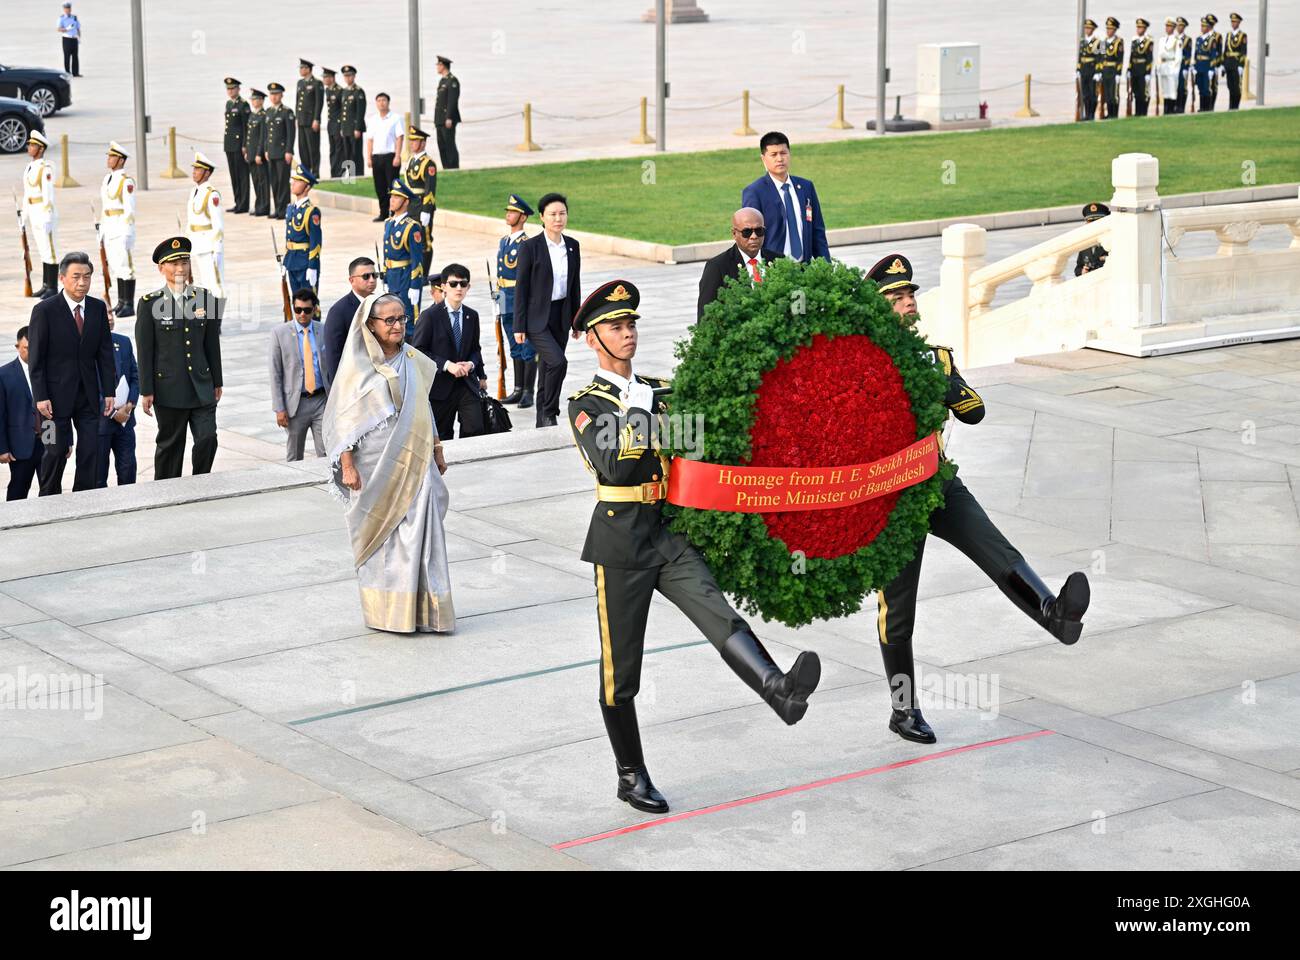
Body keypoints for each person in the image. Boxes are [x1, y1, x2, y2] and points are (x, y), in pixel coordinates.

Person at [567, 279, 821, 814]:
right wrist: (648, 415)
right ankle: (631, 775)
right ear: (593, 339)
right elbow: (616, 465)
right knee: (621, 672)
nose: (629, 333)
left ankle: (777, 689)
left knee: (716, 611)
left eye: (632, 324)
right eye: (617, 326)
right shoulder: (585, 405)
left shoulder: (660, 388)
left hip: (668, 530)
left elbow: (699, 439)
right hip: (620, 542)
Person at [865, 254, 1090, 743]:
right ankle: (903, 710)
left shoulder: (936, 357)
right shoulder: (858, 365)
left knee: (997, 551)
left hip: (938, 481)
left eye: (909, 295)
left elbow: (975, 411)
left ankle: (1053, 615)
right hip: (889, 498)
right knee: (897, 610)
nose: (907, 303)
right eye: (896, 297)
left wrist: (945, 385)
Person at [324, 293, 454, 634]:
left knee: (424, 533)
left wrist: (437, 448)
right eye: (390, 320)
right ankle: (388, 613)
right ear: (371, 325)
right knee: (384, 541)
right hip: (373, 467)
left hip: (417, 459)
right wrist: (347, 465)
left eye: (402, 319)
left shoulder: (412, 359)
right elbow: (344, 421)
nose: (398, 326)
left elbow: (424, 406)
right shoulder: (357, 366)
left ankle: (428, 611)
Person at [27, 252, 115, 495]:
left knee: (91, 450)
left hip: (88, 396)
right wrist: (40, 396)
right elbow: (36, 359)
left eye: (87, 276)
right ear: (62, 278)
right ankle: (48, 497)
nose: (82, 282)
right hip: (51, 402)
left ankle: (84, 498)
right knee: (53, 450)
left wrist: (109, 391)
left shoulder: (97, 308)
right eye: (76, 277)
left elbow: (105, 353)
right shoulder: (44, 310)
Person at [135, 237, 223, 480]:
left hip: (201, 385)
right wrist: (146, 390)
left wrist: (217, 380)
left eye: (184, 262)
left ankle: (200, 481)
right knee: (170, 445)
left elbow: (211, 344)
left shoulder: (205, 298)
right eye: (174, 264)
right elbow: (145, 351)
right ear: (161, 268)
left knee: (207, 438)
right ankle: (166, 491)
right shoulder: (149, 304)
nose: (180, 269)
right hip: (168, 389)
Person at [514, 193, 580, 428]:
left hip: (562, 316)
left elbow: (574, 284)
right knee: (558, 362)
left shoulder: (572, 246)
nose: (558, 219)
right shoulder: (530, 247)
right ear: (542, 217)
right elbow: (521, 288)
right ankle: (551, 412)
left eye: (562, 213)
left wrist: (577, 320)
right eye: (552, 214)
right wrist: (519, 326)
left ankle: (542, 423)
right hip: (537, 319)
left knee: (548, 368)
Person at [412, 262, 486, 440]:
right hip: (440, 386)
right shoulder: (430, 316)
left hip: (467, 384)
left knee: (475, 430)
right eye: (453, 284)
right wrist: (447, 365)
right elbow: (418, 351)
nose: (458, 288)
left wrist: (473, 366)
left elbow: (475, 348)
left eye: (463, 284)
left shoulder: (472, 315)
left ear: (468, 287)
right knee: (443, 435)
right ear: (444, 287)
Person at [740, 131, 829, 263]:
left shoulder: (806, 187)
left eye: (783, 153)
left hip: (805, 268)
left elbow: (818, 232)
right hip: (774, 269)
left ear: (789, 154)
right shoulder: (755, 192)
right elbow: (750, 237)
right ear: (763, 158)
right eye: (773, 154)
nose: (780, 159)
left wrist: (826, 266)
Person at [271, 288, 329, 461]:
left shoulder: (323, 330)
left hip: (321, 401)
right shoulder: (279, 333)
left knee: (326, 452)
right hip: (296, 404)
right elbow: (275, 373)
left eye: (307, 310)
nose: (302, 314)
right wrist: (279, 408)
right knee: (295, 456)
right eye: (298, 310)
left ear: (315, 309)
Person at [697, 206, 779, 321]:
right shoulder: (717, 267)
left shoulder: (778, 261)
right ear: (734, 234)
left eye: (759, 231)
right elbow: (706, 316)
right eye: (747, 232)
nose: (754, 236)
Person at [495, 194, 536, 407]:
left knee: (527, 347)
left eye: (513, 212)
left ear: (523, 217)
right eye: (508, 211)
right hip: (505, 299)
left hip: (520, 301)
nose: (508, 214)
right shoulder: (504, 241)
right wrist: (498, 301)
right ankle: (518, 389)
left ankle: (528, 391)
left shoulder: (527, 244)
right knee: (513, 345)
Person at [0, 327, 46, 500]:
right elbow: (1, 415)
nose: (32, 352)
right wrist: (2, 448)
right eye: (27, 348)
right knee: (18, 489)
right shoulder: (4, 374)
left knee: (51, 488)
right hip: (19, 444)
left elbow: (59, 409)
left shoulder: (48, 370)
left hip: (48, 439)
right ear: (17, 347)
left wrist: (66, 441)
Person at [96, 310, 138, 488]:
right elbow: (86, 387)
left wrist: (129, 406)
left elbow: (135, 376)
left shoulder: (124, 342)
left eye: (111, 312)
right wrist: (113, 413)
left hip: (125, 420)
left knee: (128, 470)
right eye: (104, 314)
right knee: (98, 476)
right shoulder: (86, 347)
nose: (110, 317)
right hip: (100, 424)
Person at [382, 179, 426, 337]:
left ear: (406, 201)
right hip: (393, 278)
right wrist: (385, 278)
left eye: (396, 197)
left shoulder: (412, 227)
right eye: (391, 196)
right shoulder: (388, 223)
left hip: (406, 278)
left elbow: (417, 260)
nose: (392, 200)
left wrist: (415, 285)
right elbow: (386, 253)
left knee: (409, 323)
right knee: (393, 320)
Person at [324, 256, 379, 381]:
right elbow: (334, 354)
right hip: (354, 379)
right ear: (352, 280)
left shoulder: (381, 303)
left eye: (374, 275)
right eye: (366, 276)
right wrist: (338, 386)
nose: (372, 280)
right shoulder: (339, 311)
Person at [99, 141, 137, 317]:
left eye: (113, 156)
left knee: (125, 265)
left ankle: (129, 303)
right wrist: (102, 229)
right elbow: (105, 206)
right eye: (109, 156)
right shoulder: (107, 179)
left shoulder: (126, 181)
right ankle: (121, 301)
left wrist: (127, 231)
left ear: (121, 160)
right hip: (109, 227)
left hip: (121, 228)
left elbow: (129, 209)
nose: (109, 159)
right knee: (115, 265)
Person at [23, 130, 59, 300]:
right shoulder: (30, 167)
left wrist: (48, 216)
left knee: (50, 250)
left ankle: (52, 287)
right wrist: (24, 214)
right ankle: (46, 285)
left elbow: (48, 195)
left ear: (41, 149)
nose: (29, 147)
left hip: (44, 213)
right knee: (42, 250)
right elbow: (27, 193)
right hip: (33, 212)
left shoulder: (46, 169)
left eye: (33, 145)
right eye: (30, 145)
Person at [186, 153, 225, 302]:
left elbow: (218, 224)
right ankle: (209, 313)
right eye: (194, 169)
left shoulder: (212, 194)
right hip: (197, 243)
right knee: (203, 283)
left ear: (207, 173)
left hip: (209, 245)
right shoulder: (194, 191)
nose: (194, 172)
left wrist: (217, 249)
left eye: (198, 169)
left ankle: (217, 315)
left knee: (215, 283)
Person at [402, 125, 437, 274]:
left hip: (422, 205)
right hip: (410, 206)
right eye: (411, 140)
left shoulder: (428, 163)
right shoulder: (411, 160)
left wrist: (426, 210)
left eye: (415, 141)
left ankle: (424, 274)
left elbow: (430, 189)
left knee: (424, 241)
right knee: (411, 238)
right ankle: (415, 270)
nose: (412, 143)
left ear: (423, 143)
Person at [284, 164, 322, 296]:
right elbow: (289, 237)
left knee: (309, 303)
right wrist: (285, 261)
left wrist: (312, 266)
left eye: (298, 181)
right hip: (292, 262)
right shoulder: (290, 208)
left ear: (307, 187)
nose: (293, 183)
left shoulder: (311, 211)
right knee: (296, 301)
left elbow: (316, 242)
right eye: (294, 180)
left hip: (305, 263)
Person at [366, 93, 403, 221]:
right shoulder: (373, 120)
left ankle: (394, 213)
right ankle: (383, 213)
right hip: (377, 157)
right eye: (379, 101)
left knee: (392, 187)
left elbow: (399, 137)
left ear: (388, 102)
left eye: (384, 100)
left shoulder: (395, 118)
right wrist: (369, 157)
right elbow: (370, 140)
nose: (381, 103)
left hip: (390, 157)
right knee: (379, 187)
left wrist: (398, 156)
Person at [264, 82, 295, 219]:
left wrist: (289, 151)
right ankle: (277, 208)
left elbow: (291, 134)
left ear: (281, 95)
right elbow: (266, 134)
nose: (274, 97)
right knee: (275, 182)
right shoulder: (269, 112)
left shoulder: (287, 112)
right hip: (271, 152)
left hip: (283, 152)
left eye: (276, 94)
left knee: (283, 182)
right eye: (272, 94)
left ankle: (284, 210)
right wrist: (266, 149)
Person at [222, 78, 251, 214]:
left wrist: (245, 144)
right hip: (229, 144)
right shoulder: (228, 104)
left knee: (242, 175)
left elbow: (246, 127)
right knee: (234, 175)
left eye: (232, 88)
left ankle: (243, 204)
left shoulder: (243, 105)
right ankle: (237, 201)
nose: (230, 91)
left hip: (239, 145)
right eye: (228, 89)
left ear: (238, 89)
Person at [295, 59, 324, 177]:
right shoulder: (300, 83)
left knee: (313, 148)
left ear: (308, 69)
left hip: (311, 120)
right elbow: (298, 102)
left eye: (302, 68)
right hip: (301, 120)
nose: (301, 70)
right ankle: (306, 171)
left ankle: (315, 172)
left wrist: (316, 119)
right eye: (300, 68)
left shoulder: (317, 83)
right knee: (302, 148)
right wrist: (297, 118)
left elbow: (319, 103)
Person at [339, 66, 367, 179]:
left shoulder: (358, 91)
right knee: (347, 153)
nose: (347, 78)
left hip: (354, 128)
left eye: (349, 75)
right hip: (346, 128)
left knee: (356, 153)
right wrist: (342, 128)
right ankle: (351, 174)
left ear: (354, 76)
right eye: (345, 76)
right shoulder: (344, 91)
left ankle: (359, 175)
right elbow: (343, 112)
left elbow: (360, 111)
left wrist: (358, 128)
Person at [433, 55, 461, 169]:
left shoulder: (452, 81)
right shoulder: (443, 80)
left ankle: (453, 167)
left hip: (447, 119)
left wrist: (449, 117)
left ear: (442, 66)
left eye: (438, 65)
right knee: (442, 145)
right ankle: (446, 167)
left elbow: (452, 101)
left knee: (449, 144)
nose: (437, 67)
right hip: (440, 119)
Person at [247, 89, 271, 216]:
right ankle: (258, 205)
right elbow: (249, 136)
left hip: (258, 155)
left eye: (255, 99)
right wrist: (247, 151)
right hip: (251, 153)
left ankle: (264, 207)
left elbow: (263, 137)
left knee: (263, 181)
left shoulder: (263, 115)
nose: (253, 102)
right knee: (256, 181)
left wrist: (259, 153)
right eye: (252, 99)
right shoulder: (252, 115)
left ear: (261, 101)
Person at [1194, 15, 1222, 112]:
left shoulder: (1212, 39)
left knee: (1207, 89)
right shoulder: (1198, 39)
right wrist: (1194, 66)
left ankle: (1208, 108)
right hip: (1199, 66)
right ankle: (1202, 107)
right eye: (1201, 26)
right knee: (1200, 88)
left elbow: (1213, 55)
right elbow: (1196, 54)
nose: (1202, 28)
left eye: (1204, 26)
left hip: (1207, 66)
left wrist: (1211, 69)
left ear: (1208, 27)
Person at [1074, 202, 1110, 276]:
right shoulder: (1085, 244)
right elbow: (1078, 268)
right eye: (1090, 222)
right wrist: (1082, 271)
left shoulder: (1112, 241)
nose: (1094, 225)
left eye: (1097, 221)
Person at [1098, 17, 1124, 119]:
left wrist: (1118, 73)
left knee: (1114, 94)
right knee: (1107, 94)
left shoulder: (1119, 42)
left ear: (1115, 30)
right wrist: (1099, 71)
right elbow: (1100, 58)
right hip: (1105, 71)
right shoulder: (1103, 42)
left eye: (1111, 29)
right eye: (1107, 28)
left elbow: (1120, 59)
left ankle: (1114, 114)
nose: (1108, 31)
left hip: (1113, 71)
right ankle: (1109, 113)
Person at [1156, 18, 1183, 115]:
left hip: (1171, 65)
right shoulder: (1162, 39)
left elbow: (1178, 57)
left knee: (1172, 90)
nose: (1167, 28)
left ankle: (1171, 109)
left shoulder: (1177, 40)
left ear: (1173, 28)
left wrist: (1176, 70)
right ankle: (1166, 109)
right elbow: (1159, 54)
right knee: (1165, 90)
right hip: (1163, 66)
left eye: (1169, 26)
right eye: (1166, 26)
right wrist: (1158, 66)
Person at [1077, 18, 1101, 120]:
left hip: (1092, 70)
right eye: (1086, 28)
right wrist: (1078, 69)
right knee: (1085, 94)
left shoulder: (1098, 42)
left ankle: (1091, 114)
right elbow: (1080, 57)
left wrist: (1098, 71)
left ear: (1093, 29)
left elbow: (1101, 57)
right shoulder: (1082, 41)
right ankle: (1087, 114)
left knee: (1093, 94)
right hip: (1084, 70)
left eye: (1089, 28)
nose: (1087, 30)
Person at [322, 67, 344, 178]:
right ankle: (333, 172)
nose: (324, 79)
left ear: (332, 78)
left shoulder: (340, 90)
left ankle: (339, 173)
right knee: (332, 149)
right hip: (331, 124)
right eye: (324, 77)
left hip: (338, 124)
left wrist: (342, 126)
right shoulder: (327, 90)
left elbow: (343, 110)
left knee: (339, 149)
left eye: (326, 77)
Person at [1128, 19, 1153, 116]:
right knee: (1136, 92)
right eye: (1138, 27)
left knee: (1143, 92)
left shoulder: (1148, 41)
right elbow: (1131, 56)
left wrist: (1148, 72)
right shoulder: (1134, 41)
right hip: (1135, 69)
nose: (1138, 29)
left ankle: (1143, 111)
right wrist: (1129, 69)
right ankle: (1137, 111)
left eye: (1141, 28)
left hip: (1143, 69)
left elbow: (1149, 58)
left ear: (1145, 29)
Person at [1224, 13, 1247, 110]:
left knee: (1236, 87)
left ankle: (1235, 106)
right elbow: (1225, 50)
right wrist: (1223, 64)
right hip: (1229, 63)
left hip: (1236, 64)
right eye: (1232, 22)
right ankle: (1231, 106)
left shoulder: (1242, 35)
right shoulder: (1229, 35)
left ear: (1239, 23)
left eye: (1235, 22)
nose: (1233, 23)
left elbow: (1243, 51)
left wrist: (1241, 65)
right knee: (1230, 86)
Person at [57, 3, 82, 76]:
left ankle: (75, 73)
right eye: (66, 9)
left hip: (74, 38)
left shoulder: (74, 17)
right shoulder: (61, 18)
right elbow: (58, 29)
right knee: (67, 56)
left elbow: (78, 28)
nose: (68, 10)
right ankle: (67, 72)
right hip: (66, 39)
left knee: (75, 56)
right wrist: (66, 29)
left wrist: (79, 37)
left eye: (69, 8)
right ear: (64, 9)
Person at [1177, 17, 1193, 114]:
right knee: (1175, 87)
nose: (1179, 27)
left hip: (1182, 66)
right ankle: (1175, 106)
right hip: (1174, 66)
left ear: (1184, 27)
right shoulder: (1174, 38)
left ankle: (1181, 106)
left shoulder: (1187, 40)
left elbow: (1188, 55)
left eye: (1181, 26)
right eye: (1178, 25)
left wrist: (1186, 68)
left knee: (1182, 87)